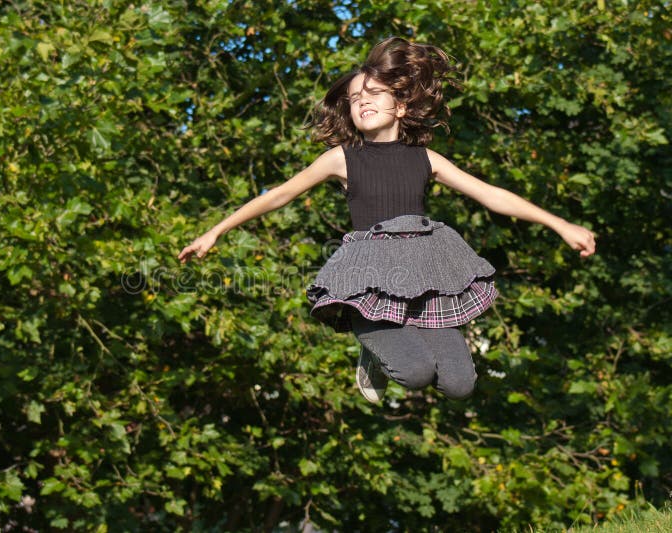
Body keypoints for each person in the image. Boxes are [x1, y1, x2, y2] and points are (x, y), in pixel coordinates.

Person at [178, 37, 596, 403]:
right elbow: (280, 195)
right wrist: (216, 231)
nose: (362, 101)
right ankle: (374, 348)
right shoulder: (341, 158)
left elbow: (491, 195)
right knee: (414, 375)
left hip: (425, 276)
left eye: (374, 93)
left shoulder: (426, 159)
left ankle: (410, 343)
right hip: (371, 279)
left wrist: (560, 224)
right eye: (356, 97)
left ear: (400, 105)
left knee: (459, 385)